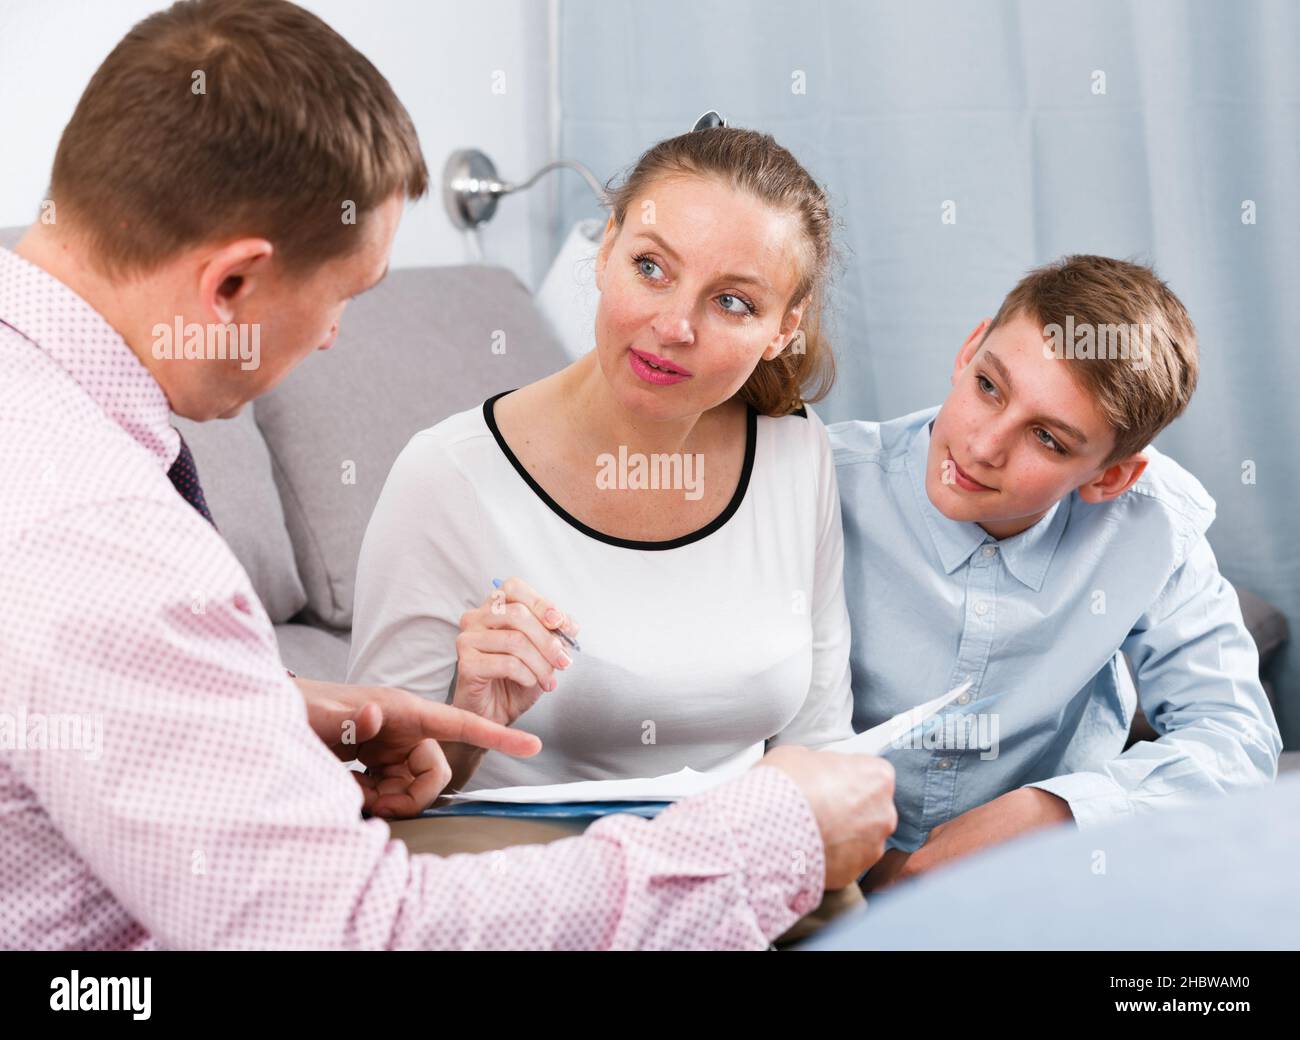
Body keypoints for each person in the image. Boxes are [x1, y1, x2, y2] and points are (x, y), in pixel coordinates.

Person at [0, 0, 897, 951]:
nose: (335, 336)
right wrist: (770, 841)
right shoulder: (107, 535)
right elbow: (361, 935)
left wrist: (257, 711)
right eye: (345, 296)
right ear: (232, 284)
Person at [349, 126, 856, 794]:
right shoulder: (447, 476)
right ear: (607, 248)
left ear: (783, 330)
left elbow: (821, 744)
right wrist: (467, 724)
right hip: (536, 879)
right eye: (651, 268)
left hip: (746, 873)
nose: (675, 326)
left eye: (732, 302)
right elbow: (367, 790)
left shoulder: (795, 449)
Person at [825, 256, 1281, 890]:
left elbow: (1238, 739)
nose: (983, 447)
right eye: (989, 386)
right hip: (821, 893)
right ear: (969, 350)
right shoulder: (819, 481)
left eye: (1048, 438)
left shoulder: (1153, 526)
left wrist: (1053, 811)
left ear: (1110, 477)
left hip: (1040, 887)